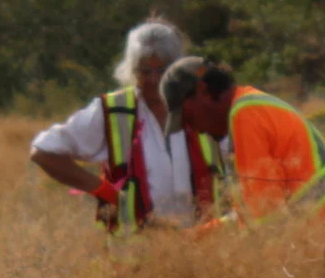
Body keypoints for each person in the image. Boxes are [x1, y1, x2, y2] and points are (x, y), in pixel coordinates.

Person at [162, 57, 325, 249]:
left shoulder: (245, 115)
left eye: (188, 118)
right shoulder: (252, 105)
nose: (195, 130)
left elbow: (268, 222)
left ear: (203, 91)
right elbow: (251, 214)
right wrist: (197, 237)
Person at [29, 20, 208, 232]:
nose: (154, 79)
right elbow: (43, 151)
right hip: (135, 246)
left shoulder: (204, 108)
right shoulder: (114, 111)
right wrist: (104, 191)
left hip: (203, 244)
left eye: (162, 70)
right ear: (131, 70)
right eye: (144, 71)